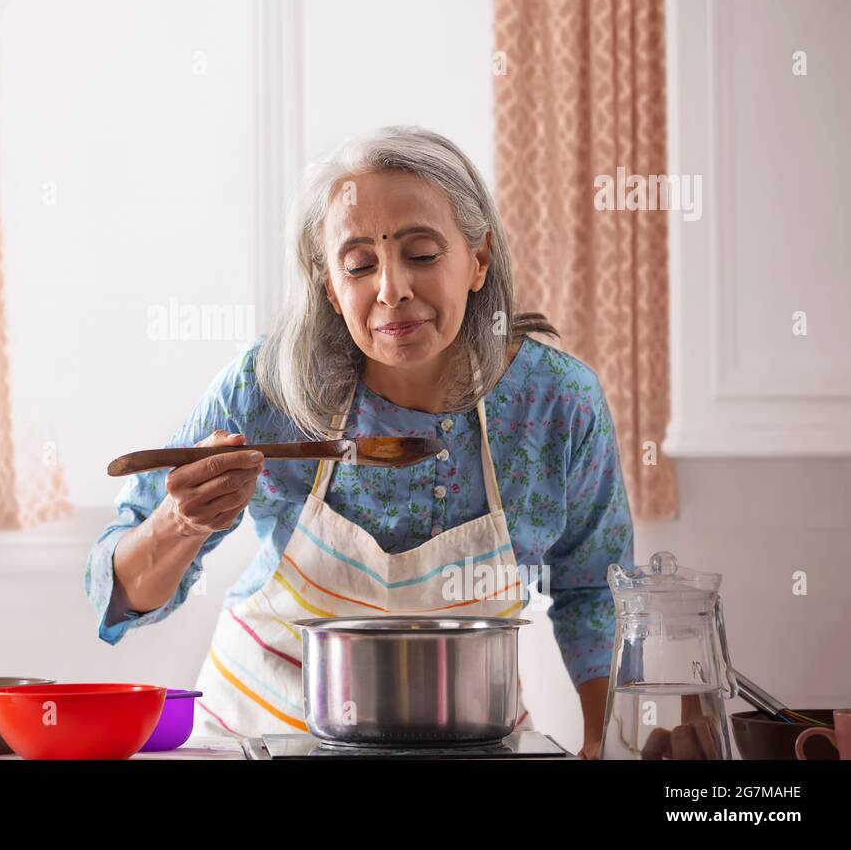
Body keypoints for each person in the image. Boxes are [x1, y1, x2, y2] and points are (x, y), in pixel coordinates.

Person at [84, 126, 634, 758]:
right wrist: (181, 522)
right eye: (359, 265)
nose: (390, 289)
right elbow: (119, 592)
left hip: (473, 743)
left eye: (422, 254)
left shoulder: (555, 402)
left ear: (478, 258)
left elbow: (595, 591)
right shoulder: (267, 388)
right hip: (262, 736)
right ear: (329, 287)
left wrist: (608, 743)